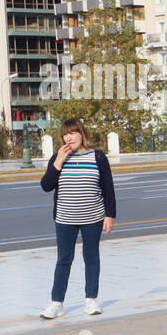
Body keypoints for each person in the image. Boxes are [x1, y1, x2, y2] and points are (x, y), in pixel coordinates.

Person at [38, 118, 116, 318]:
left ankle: (91, 301)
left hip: (93, 216)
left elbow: (108, 187)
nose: (69, 138)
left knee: (91, 258)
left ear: (82, 134)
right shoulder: (58, 157)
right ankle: (56, 303)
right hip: (65, 218)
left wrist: (109, 215)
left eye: (72, 133)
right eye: (65, 134)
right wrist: (57, 163)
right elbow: (46, 186)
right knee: (63, 259)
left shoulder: (97, 157)